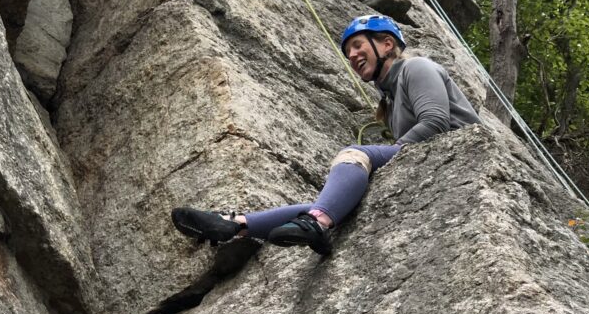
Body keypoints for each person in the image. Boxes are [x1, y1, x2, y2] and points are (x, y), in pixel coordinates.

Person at [172, 15, 480, 255]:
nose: (353, 55)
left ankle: (316, 223)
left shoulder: (417, 67)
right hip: (434, 163)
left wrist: (383, 157)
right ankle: (237, 225)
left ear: (387, 44)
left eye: (358, 45)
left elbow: (436, 121)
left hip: (458, 155)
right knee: (332, 202)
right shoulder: (390, 97)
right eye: (348, 52)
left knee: (355, 155)